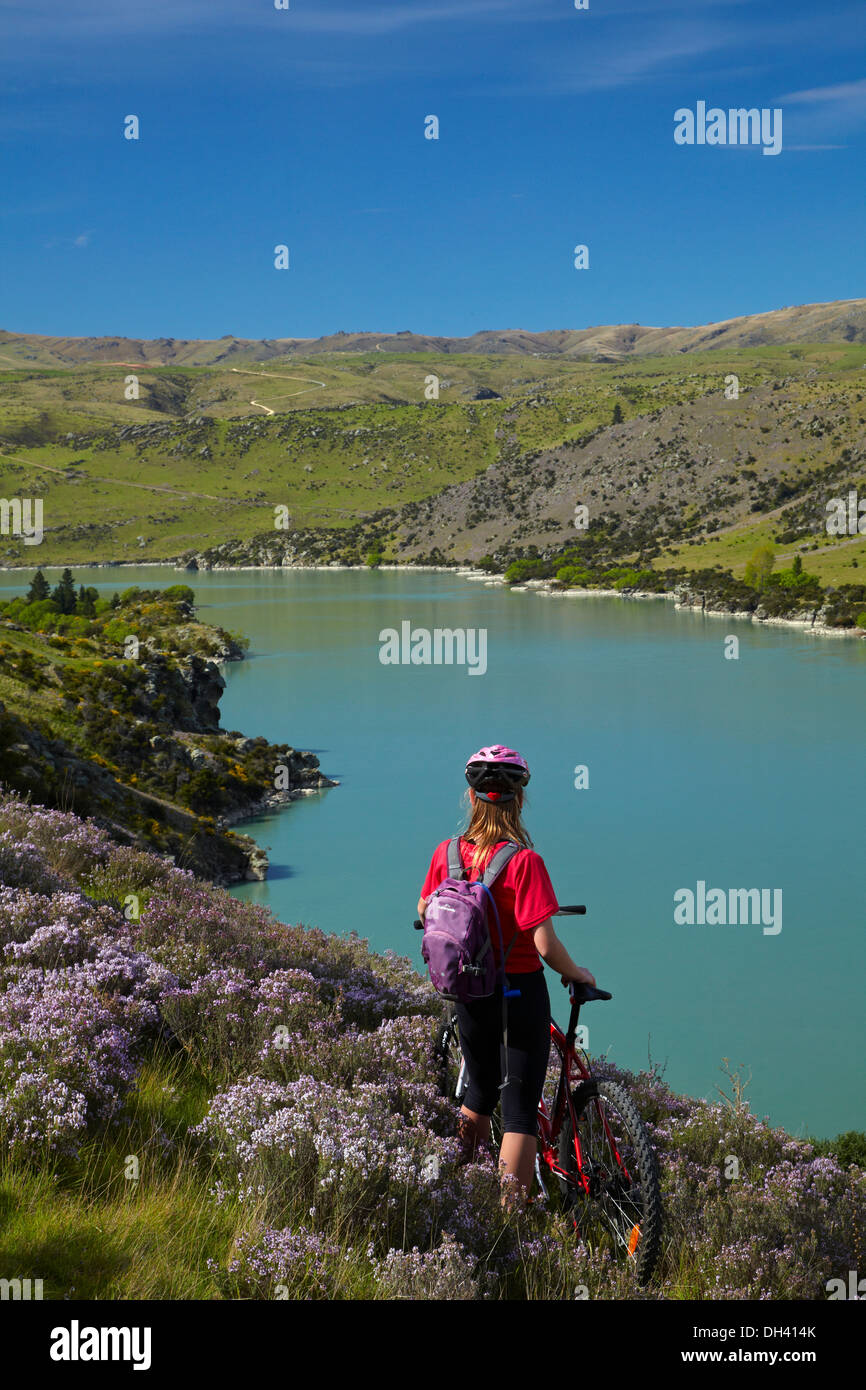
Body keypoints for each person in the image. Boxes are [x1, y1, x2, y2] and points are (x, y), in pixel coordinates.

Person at [417, 744, 595, 1202]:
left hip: (468, 990)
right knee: (518, 1112)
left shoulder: (447, 854)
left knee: (478, 1092)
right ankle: (509, 1221)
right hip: (519, 992)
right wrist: (578, 974)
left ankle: (459, 1192)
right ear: (519, 800)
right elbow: (543, 944)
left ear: (471, 798)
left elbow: (424, 908)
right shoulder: (524, 862)